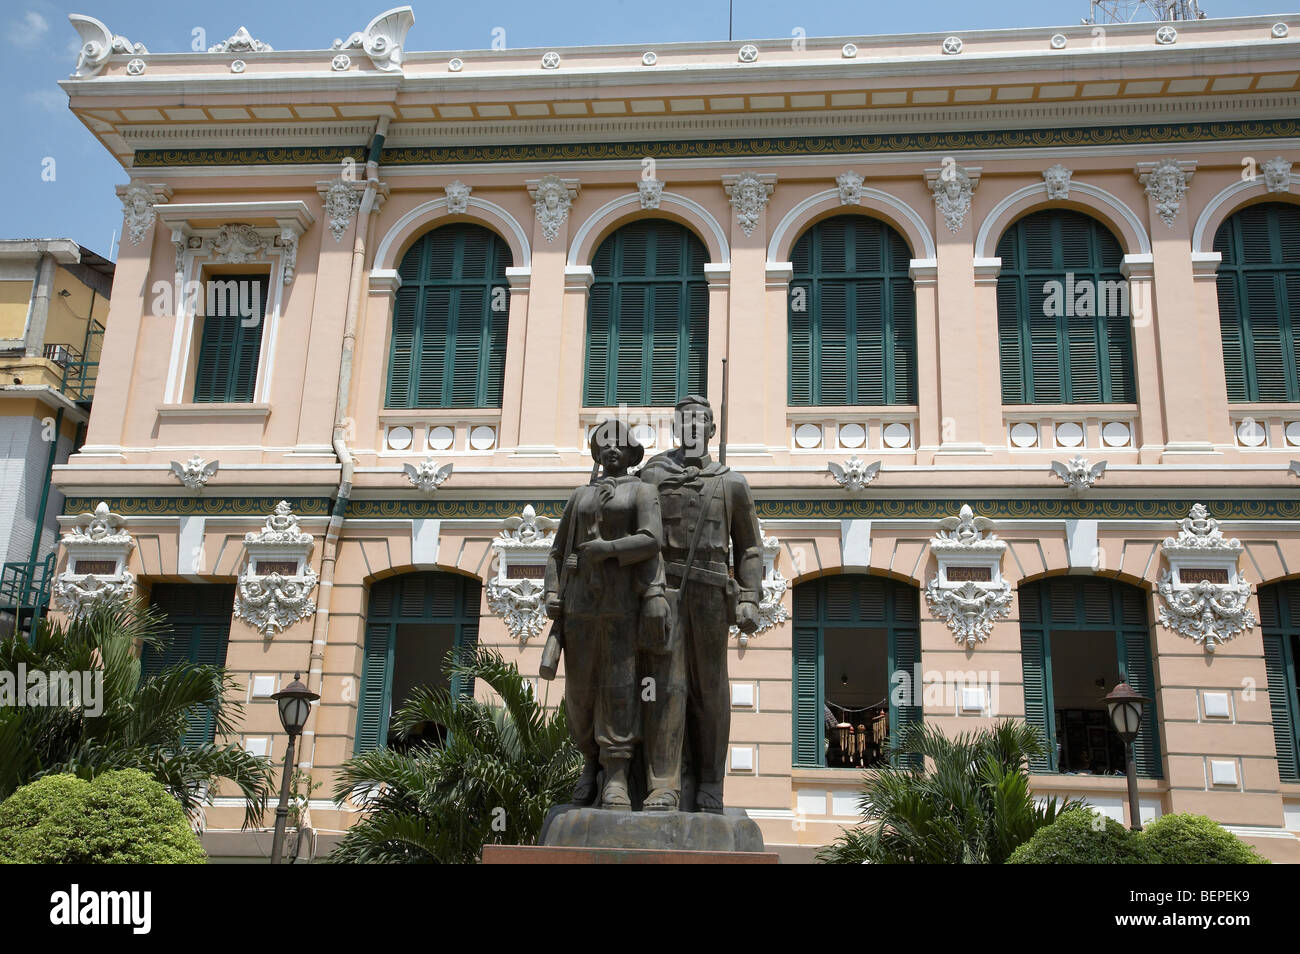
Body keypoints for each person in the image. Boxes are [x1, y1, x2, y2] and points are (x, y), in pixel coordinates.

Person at [638, 395, 763, 813]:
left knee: (710, 690)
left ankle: (710, 782)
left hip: (711, 593)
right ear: (677, 429)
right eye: (684, 422)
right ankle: (663, 785)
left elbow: (748, 548)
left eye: (700, 422)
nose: (692, 428)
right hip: (664, 592)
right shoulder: (653, 475)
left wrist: (748, 596)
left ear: (711, 430)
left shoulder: (731, 483)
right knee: (664, 687)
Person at [543, 420, 668, 810]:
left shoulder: (643, 492)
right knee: (579, 695)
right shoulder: (580, 495)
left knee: (619, 690)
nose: (612, 450)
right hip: (579, 609)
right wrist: (551, 591)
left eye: (620, 444)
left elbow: (652, 539)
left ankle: (615, 774)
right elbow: (557, 551)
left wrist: (608, 550)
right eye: (604, 444)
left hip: (621, 608)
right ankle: (589, 761)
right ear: (597, 453)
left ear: (633, 454)